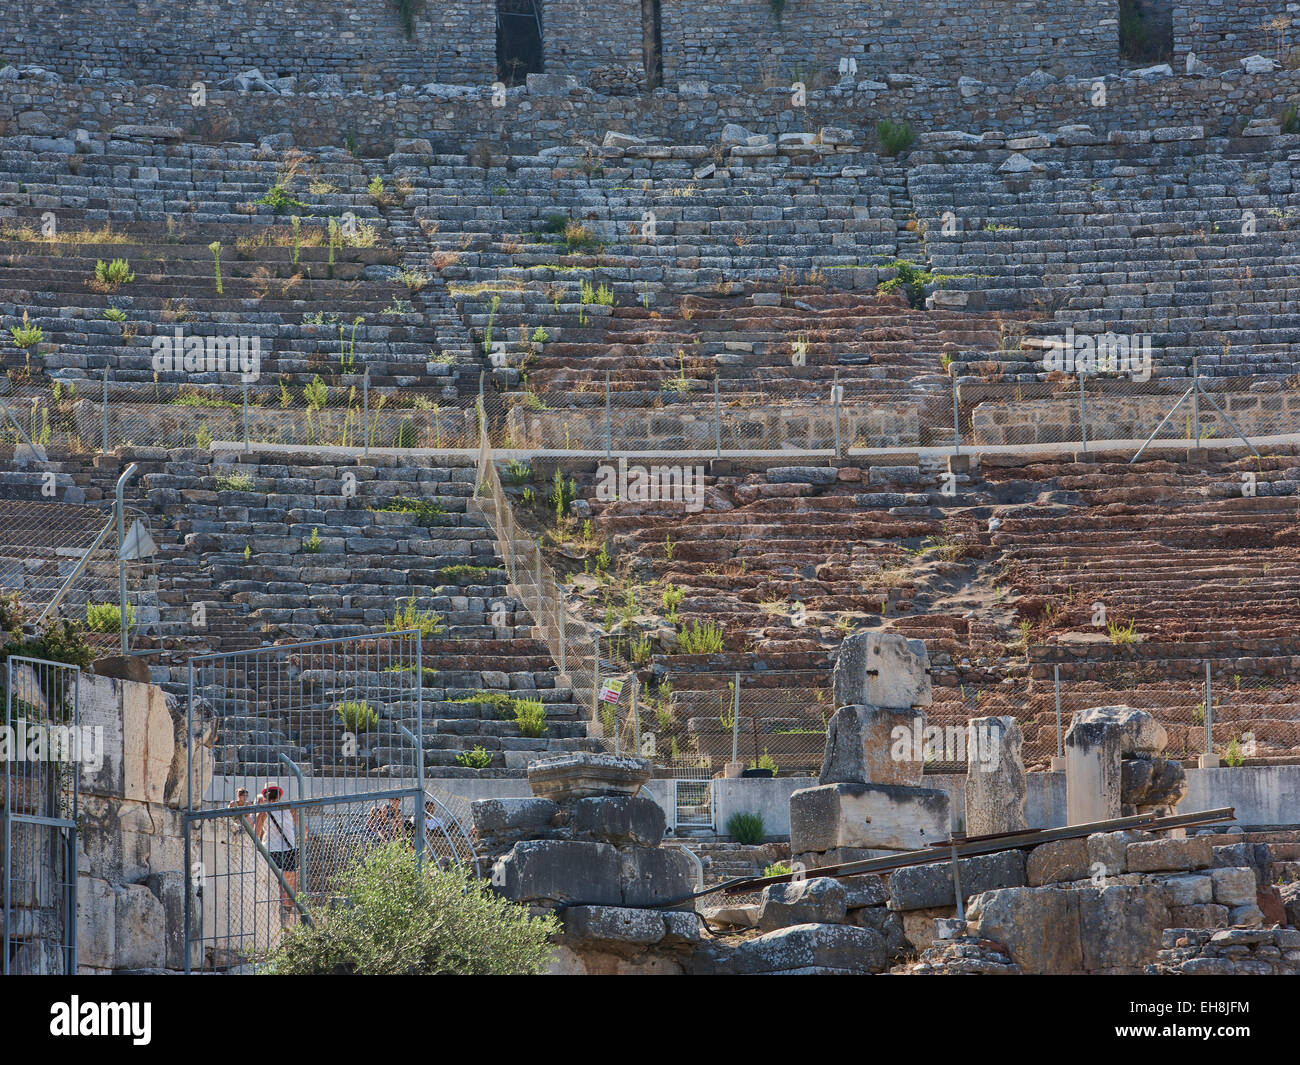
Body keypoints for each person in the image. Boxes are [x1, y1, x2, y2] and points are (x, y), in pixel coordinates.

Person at [253, 784, 301, 922]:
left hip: (270, 849)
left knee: (272, 882)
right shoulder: (289, 808)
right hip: (290, 848)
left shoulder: (263, 811)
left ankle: (275, 909)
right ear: (279, 796)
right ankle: (292, 915)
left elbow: (256, 832)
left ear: (265, 796)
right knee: (290, 883)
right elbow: (301, 826)